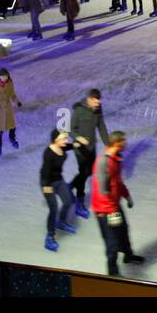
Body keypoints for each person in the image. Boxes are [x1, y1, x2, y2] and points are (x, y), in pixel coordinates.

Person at [91, 131, 145, 276]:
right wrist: (111, 207)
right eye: (123, 142)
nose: (125, 144)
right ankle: (112, 273)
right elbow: (102, 189)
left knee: (123, 231)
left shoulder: (115, 159)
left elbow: (117, 182)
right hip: (106, 210)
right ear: (116, 143)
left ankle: (128, 255)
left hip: (114, 206)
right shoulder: (103, 161)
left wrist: (127, 196)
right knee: (112, 241)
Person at [69, 90, 110, 218]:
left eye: (99, 101)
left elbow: (101, 126)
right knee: (83, 173)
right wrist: (79, 138)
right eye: (96, 101)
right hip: (80, 149)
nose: (98, 104)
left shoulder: (98, 109)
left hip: (92, 147)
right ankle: (79, 203)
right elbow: (71, 129)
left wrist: (108, 144)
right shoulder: (79, 110)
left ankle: (70, 186)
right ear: (89, 99)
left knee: (90, 172)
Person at [40, 129, 78, 252]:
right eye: (63, 139)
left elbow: (67, 147)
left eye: (66, 138)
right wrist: (46, 186)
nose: (66, 141)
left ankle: (61, 222)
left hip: (58, 180)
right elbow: (45, 171)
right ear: (56, 140)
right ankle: (50, 237)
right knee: (53, 209)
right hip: (48, 183)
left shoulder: (61, 146)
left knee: (69, 201)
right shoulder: (48, 153)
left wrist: (76, 145)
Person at [0, 67, 22, 155]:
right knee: (0, 131)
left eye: (6, 76)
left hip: (8, 108)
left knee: (12, 126)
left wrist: (17, 102)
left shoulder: (10, 84)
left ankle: (12, 139)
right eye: (3, 76)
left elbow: (12, 94)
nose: (4, 78)